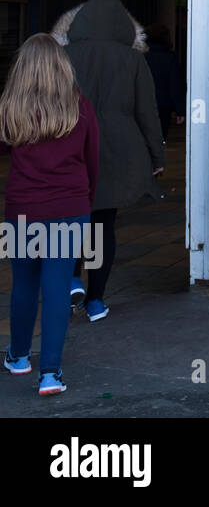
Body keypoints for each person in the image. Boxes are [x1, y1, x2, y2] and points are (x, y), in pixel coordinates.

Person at [52, 0, 164, 321]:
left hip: (70, 147)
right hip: (116, 151)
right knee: (103, 224)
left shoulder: (62, 56)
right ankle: (96, 300)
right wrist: (157, 154)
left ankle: (72, 279)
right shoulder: (133, 61)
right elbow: (148, 112)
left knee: (71, 220)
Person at [1, 33, 100, 396]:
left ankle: (19, 356)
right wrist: (83, 203)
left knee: (24, 285)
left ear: (22, 70)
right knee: (57, 288)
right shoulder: (81, 107)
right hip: (69, 209)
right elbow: (93, 162)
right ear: (62, 67)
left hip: (23, 210)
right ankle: (50, 374)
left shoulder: (11, 107)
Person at [142, 23, 184, 142]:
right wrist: (180, 110)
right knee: (160, 139)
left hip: (143, 104)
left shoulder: (141, 57)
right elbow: (175, 86)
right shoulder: (171, 58)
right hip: (163, 106)